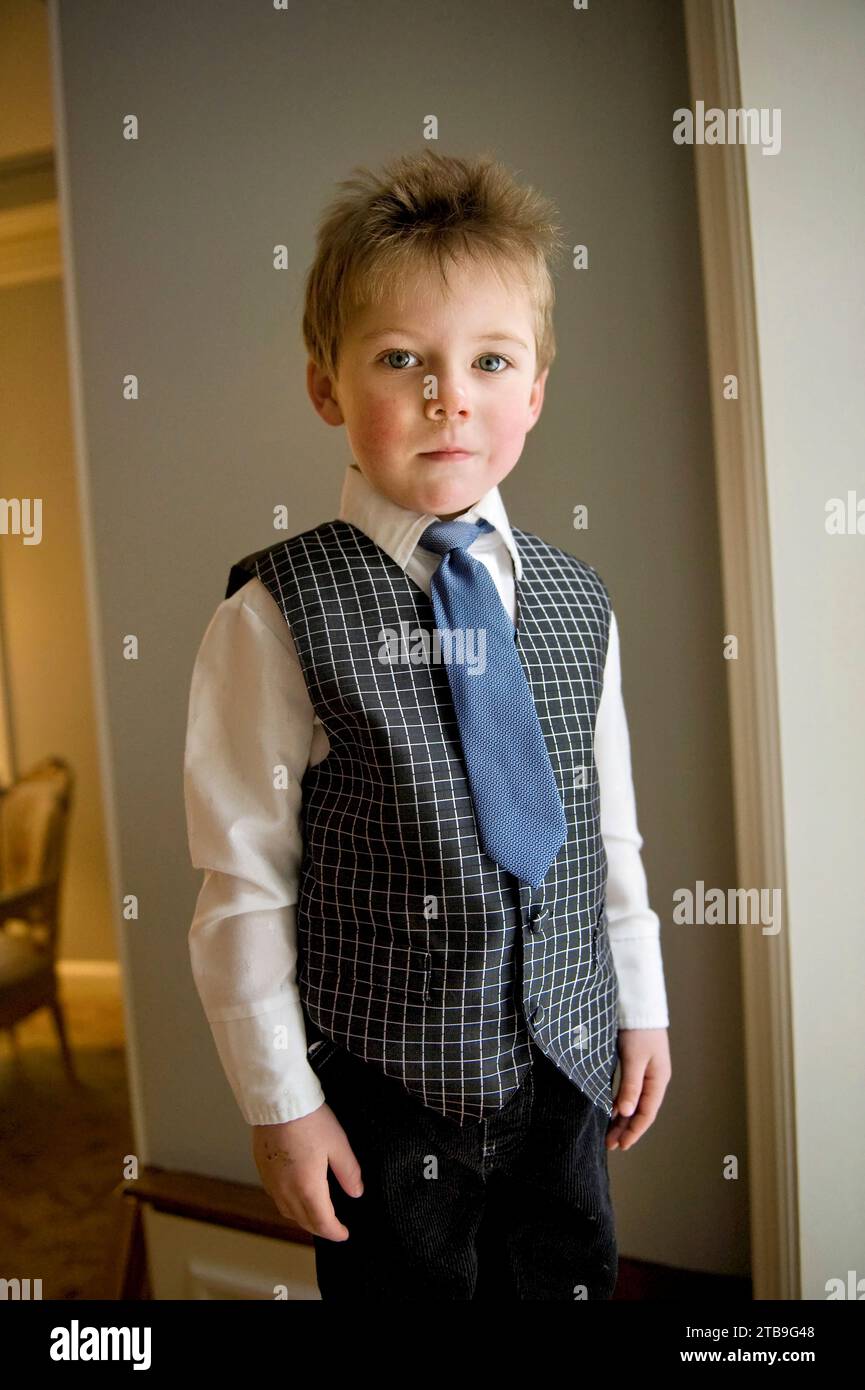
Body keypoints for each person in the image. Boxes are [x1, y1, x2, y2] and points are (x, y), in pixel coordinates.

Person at [184, 149, 671, 1300]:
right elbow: (243, 882)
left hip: (565, 1068)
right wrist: (280, 1104)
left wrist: (637, 1005)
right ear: (326, 387)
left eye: (489, 361)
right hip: (387, 1093)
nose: (451, 395)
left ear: (536, 390)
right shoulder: (272, 613)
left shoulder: (574, 599)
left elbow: (609, 834)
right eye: (402, 360)